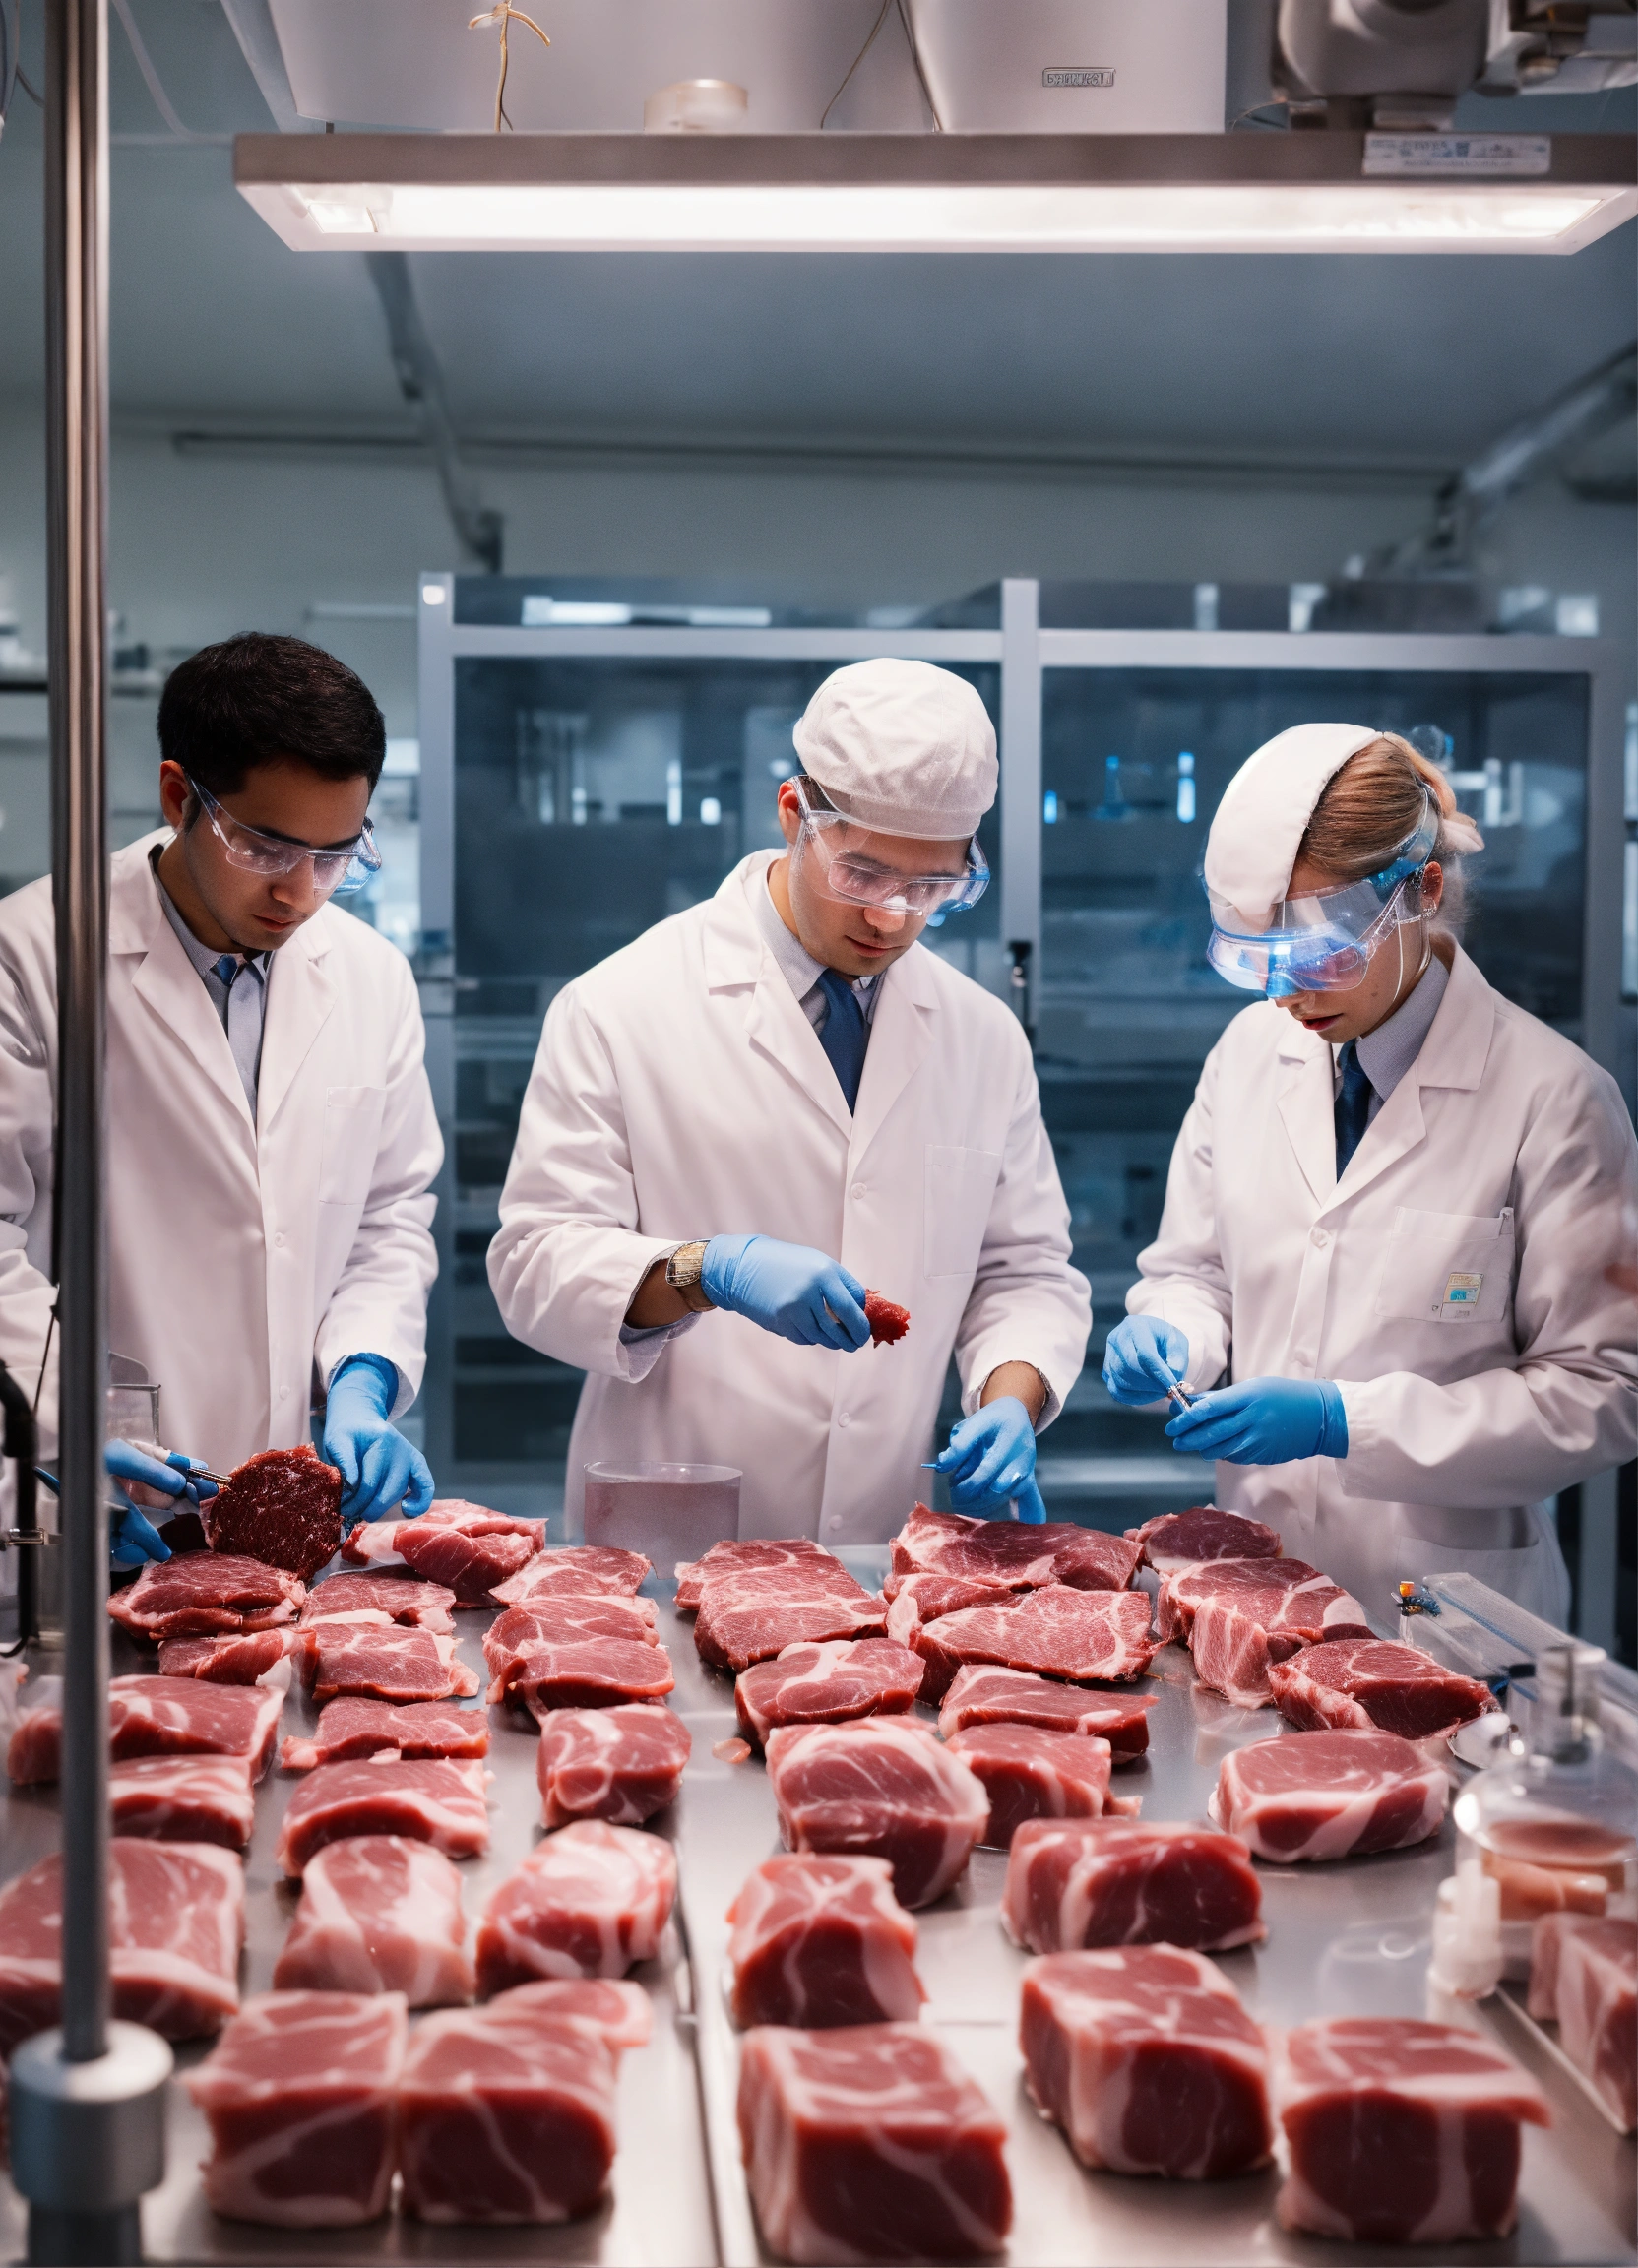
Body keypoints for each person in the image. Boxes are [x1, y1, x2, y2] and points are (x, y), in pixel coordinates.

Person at [488, 658, 1092, 1542]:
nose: (889, 916)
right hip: (668, 1528)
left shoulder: (982, 1035)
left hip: (876, 1540)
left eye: (929, 889)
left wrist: (1012, 1392)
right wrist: (704, 1271)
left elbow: (1023, 1270)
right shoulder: (623, 1003)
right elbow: (534, 1265)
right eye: (863, 875)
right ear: (793, 816)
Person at [1102, 723, 1638, 1622]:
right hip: (1254, 1596)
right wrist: (1174, 1335)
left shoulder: (1556, 1099)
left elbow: (1603, 1393)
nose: (1288, 996)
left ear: (1422, 892)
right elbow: (1193, 1274)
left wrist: (1347, 1420)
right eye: (1265, 964)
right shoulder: (1248, 1054)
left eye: (1317, 957)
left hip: (1447, 1617)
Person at [0, 633, 443, 1562]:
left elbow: (389, 1217)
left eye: (334, 856)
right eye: (265, 846)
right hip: (78, 1498)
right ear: (178, 796)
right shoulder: (35, 955)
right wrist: (59, 1417)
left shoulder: (370, 976)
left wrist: (362, 1372)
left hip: (289, 1528)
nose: (299, 894)